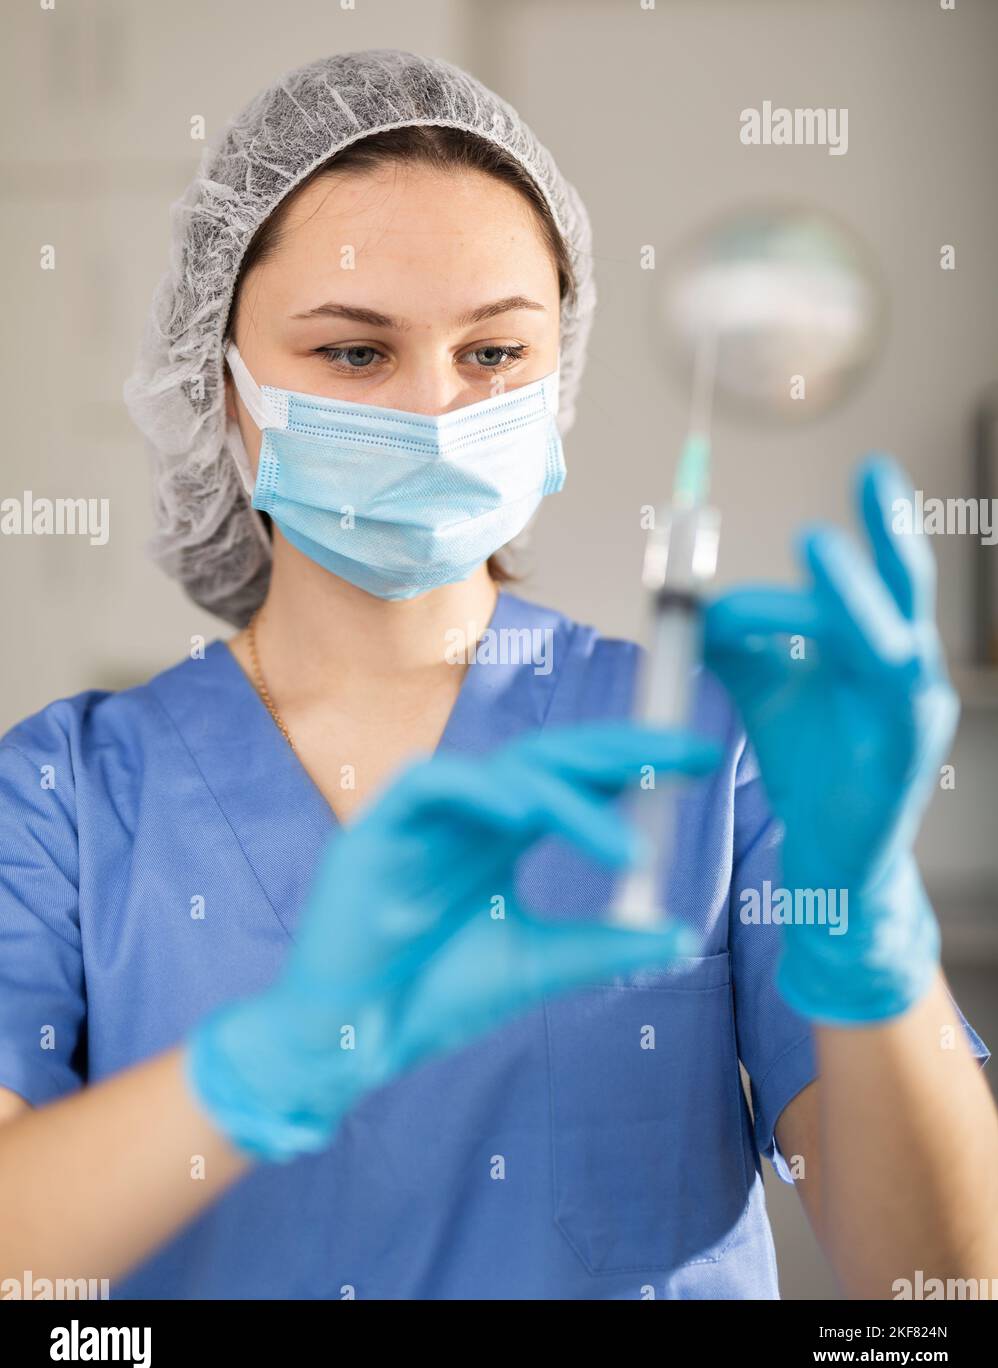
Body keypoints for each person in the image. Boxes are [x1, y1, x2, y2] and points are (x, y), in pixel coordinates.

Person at [0, 49, 994, 1302]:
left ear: (555, 377)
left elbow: (937, 1290)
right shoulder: (62, 797)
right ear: (223, 388)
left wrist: (866, 927)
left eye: (492, 355)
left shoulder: (714, 749)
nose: (432, 409)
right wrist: (268, 1064)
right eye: (355, 355)